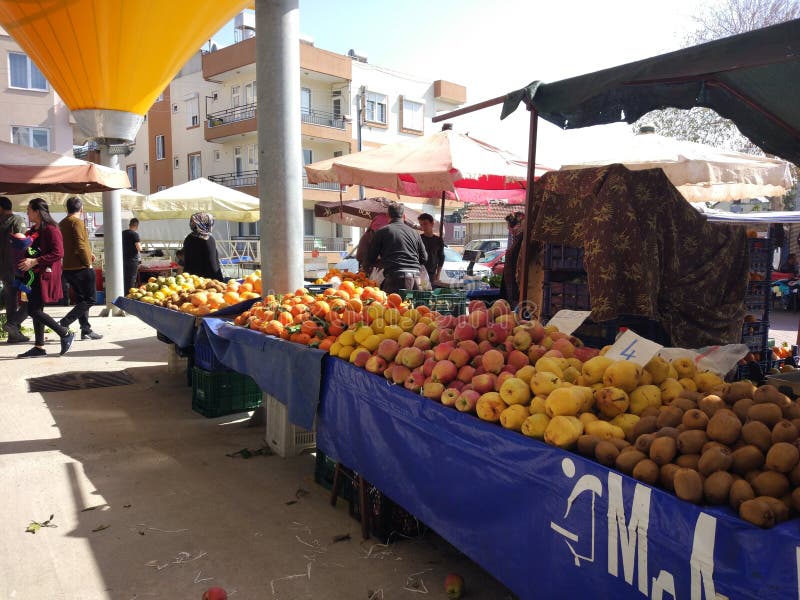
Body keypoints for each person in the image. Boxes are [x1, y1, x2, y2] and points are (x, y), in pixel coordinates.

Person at [16, 198, 74, 358]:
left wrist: (35, 261)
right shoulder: (32, 231)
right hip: (31, 276)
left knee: (33, 310)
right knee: (36, 309)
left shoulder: (51, 229)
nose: (27, 213)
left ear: (37, 211)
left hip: (44, 275)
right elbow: (29, 250)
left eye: (29, 210)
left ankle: (64, 333)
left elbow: (58, 253)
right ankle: (39, 346)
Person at [59, 197, 102, 340]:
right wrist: (87, 261)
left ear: (67, 208)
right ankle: (65, 322)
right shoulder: (77, 222)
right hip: (81, 266)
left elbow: (73, 244)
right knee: (90, 299)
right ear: (81, 208)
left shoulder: (62, 223)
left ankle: (86, 330)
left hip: (68, 267)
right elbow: (80, 244)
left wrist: (90, 253)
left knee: (81, 300)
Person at [365, 202, 427, 295]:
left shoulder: (382, 232)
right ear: (404, 216)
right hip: (416, 280)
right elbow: (424, 258)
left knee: (393, 304)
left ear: (387, 216)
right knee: (412, 304)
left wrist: (382, 260)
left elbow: (370, 258)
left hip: (395, 279)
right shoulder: (415, 233)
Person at [0, 196, 29, 342]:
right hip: (18, 268)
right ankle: (13, 326)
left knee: (11, 302)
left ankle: (13, 334)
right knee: (33, 300)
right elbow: (23, 242)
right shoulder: (17, 220)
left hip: (4, 269)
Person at [181, 212, 224, 280]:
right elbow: (212, 264)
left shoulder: (189, 238)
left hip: (191, 279)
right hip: (206, 281)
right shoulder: (208, 239)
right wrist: (219, 280)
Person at [499, 211, 525, 309]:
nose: (508, 229)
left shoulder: (521, 239)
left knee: (515, 307)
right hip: (511, 282)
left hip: (515, 283)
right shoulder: (517, 239)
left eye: (508, 226)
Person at [417, 213, 445, 284]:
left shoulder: (439, 240)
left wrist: (438, 274)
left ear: (432, 224)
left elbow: (441, 257)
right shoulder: (418, 239)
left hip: (432, 274)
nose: (423, 227)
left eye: (425, 224)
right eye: (421, 224)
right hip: (419, 273)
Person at [122, 217, 142, 291]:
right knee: (131, 278)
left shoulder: (122, 233)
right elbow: (139, 248)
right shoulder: (135, 234)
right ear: (136, 226)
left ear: (129, 224)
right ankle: (129, 294)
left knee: (124, 277)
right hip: (132, 261)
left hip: (123, 259)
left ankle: (123, 293)